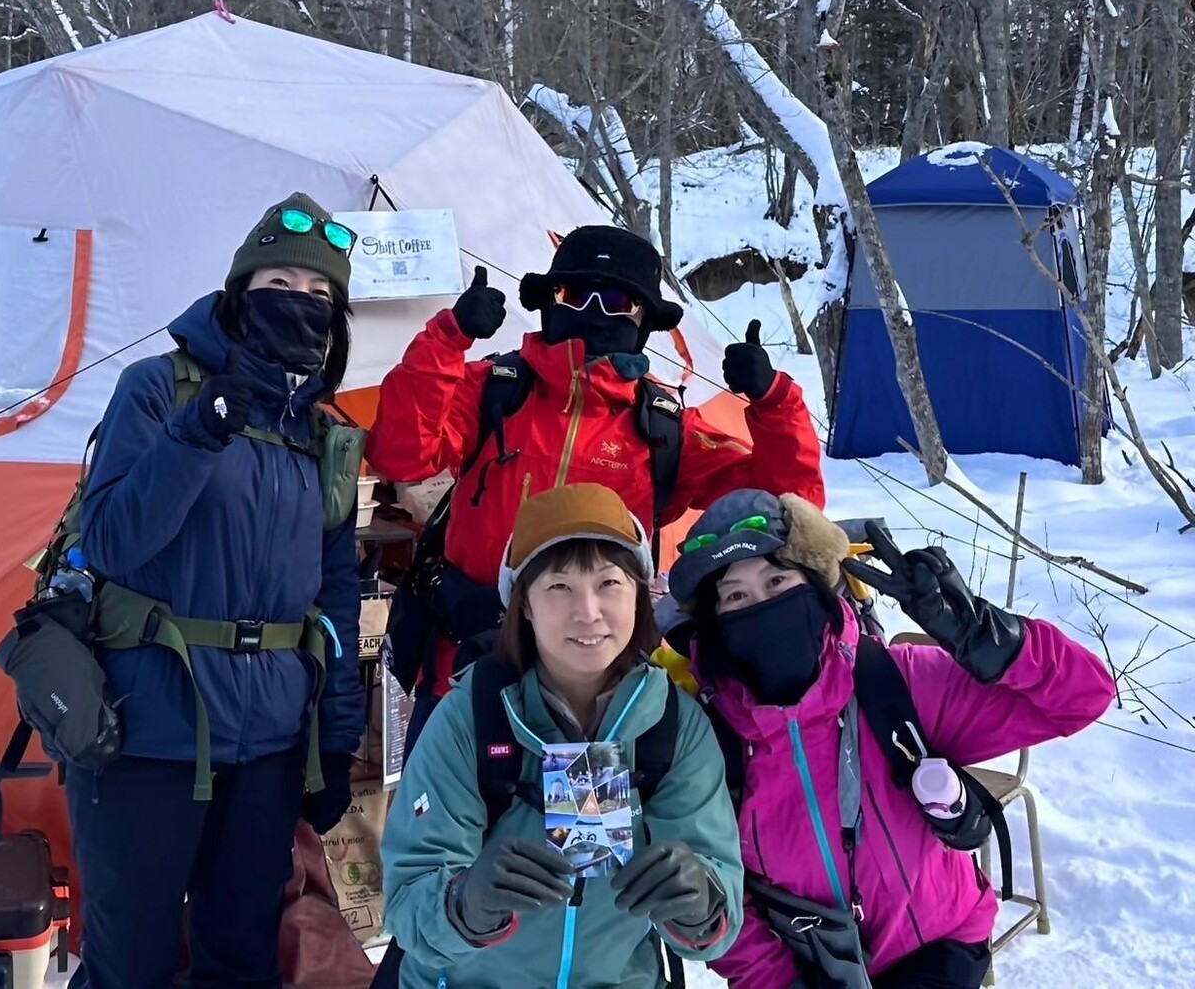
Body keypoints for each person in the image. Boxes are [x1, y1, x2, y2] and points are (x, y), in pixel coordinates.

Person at [366, 224, 825, 754]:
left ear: (645, 321)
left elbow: (788, 504)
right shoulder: (495, 389)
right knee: (442, 828)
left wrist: (774, 403)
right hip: (464, 673)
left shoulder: (664, 428)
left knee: (581, 835)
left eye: (616, 300)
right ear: (548, 302)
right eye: (574, 294)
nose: (593, 311)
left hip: (597, 695)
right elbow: (401, 453)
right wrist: (447, 337)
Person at [66, 192, 365, 989]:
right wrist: (199, 431)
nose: (299, 304)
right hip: (146, 735)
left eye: (320, 297)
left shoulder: (323, 433)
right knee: (131, 966)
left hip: (267, 745)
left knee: (241, 961)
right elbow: (115, 541)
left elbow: (333, 602)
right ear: (240, 287)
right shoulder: (156, 388)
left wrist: (337, 737)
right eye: (280, 281)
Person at [663, 489, 1117, 989]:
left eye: (777, 580)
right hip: (810, 968)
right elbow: (726, 893)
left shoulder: (895, 683)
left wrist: (983, 635)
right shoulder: (707, 735)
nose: (762, 605)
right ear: (714, 622)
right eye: (737, 596)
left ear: (817, 588)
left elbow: (1083, 694)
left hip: (936, 952)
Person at [380, 483, 744, 989]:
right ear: (523, 604)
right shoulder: (473, 716)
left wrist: (700, 904)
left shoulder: (672, 727)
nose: (589, 612)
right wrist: (465, 903)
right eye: (559, 587)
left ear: (639, 592)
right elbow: (405, 902)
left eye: (610, 583)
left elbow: (718, 924)